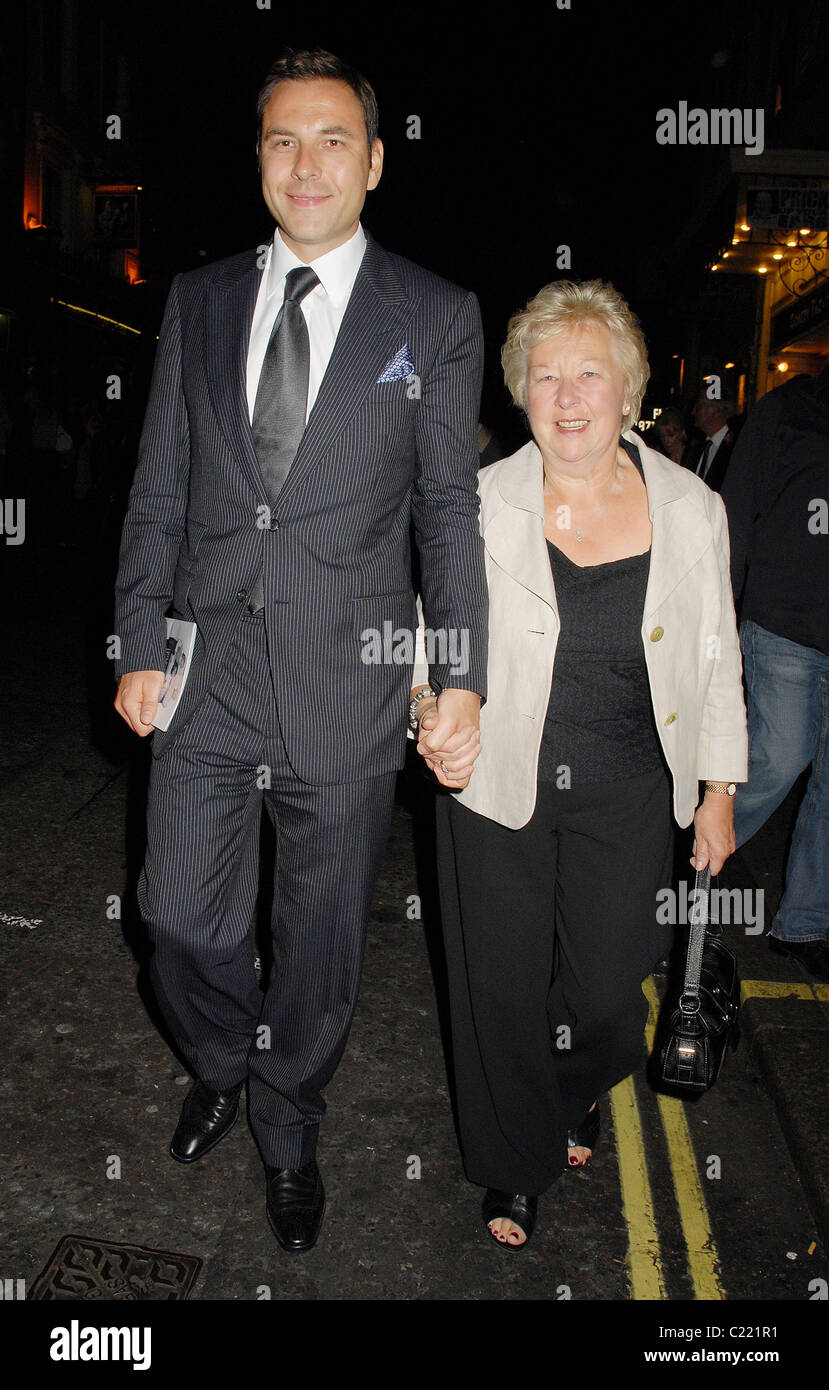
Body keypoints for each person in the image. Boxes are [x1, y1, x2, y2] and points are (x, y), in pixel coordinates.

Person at [113, 47, 488, 1254]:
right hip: (205, 669)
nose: (306, 162)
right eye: (283, 139)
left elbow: (447, 515)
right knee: (178, 917)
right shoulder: (202, 295)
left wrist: (461, 674)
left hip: (350, 680)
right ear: (259, 161)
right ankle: (225, 1056)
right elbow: (159, 489)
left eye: (333, 139)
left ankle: (286, 1120)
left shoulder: (432, 316)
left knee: (320, 947)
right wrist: (135, 637)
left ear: (374, 162)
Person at [411, 280, 748, 1249]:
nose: (567, 396)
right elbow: (431, 641)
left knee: (606, 994)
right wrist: (431, 711)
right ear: (520, 390)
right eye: (545, 374)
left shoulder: (692, 509)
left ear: (628, 386)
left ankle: (561, 1086)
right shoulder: (477, 501)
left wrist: (718, 790)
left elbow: (718, 652)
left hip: (630, 786)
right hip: (496, 780)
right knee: (499, 985)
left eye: (587, 372)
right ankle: (514, 1160)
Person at [721, 366, 829, 981]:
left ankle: (804, 924)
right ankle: (680, 871)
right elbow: (736, 511)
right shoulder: (791, 405)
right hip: (784, 622)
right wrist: (722, 618)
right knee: (774, 761)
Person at [686, 386, 739, 492]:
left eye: (699, 406)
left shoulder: (735, 449)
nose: (693, 412)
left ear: (714, 410)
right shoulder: (697, 448)